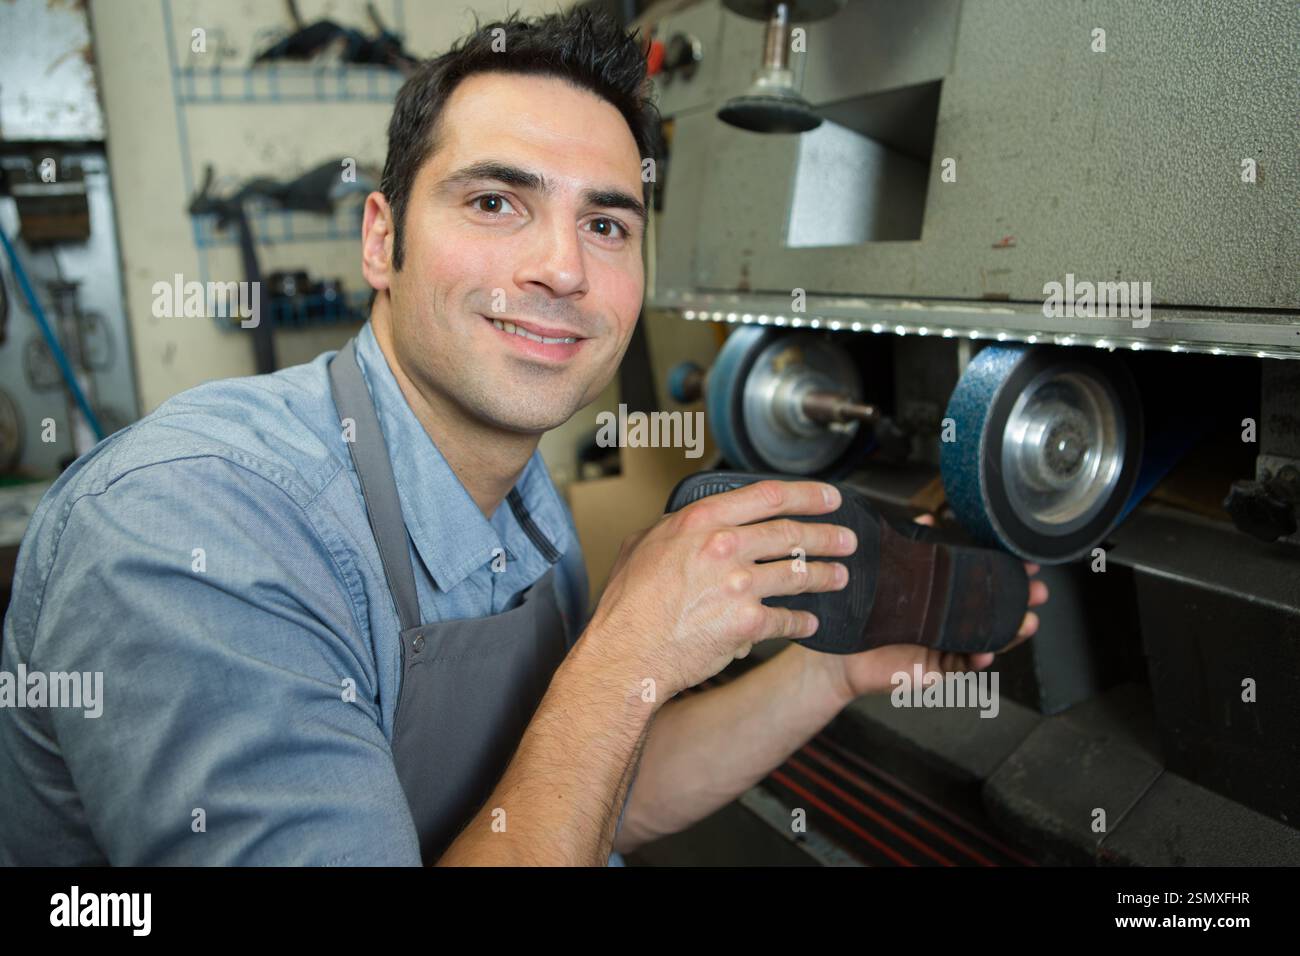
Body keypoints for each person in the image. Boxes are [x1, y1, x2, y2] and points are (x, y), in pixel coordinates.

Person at [0, 7, 1045, 866]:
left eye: (606, 223)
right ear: (381, 239)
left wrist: (826, 673)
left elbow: (593, 798)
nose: (563, 269)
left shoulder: (520, 497)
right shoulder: (193, 526)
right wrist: (630, 645)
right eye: (496, 200)